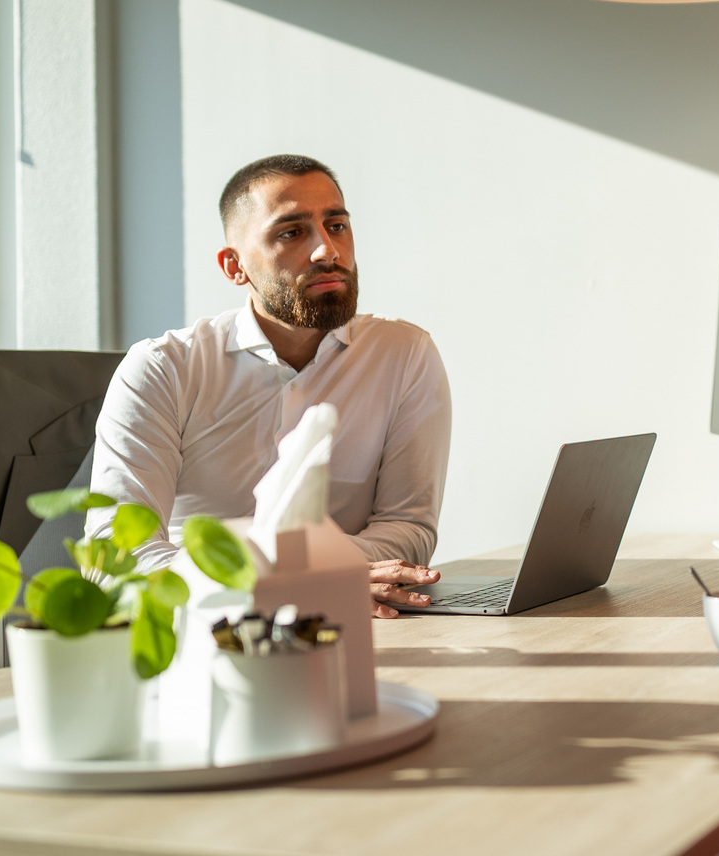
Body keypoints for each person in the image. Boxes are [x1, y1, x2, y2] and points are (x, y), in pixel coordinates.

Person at [85, 154, 452, 618]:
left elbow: (408, 527)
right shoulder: (162, 369)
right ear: (234, 266)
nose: (327, 251)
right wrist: (294, 584)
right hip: (195, 635)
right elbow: (115, 559)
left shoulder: (405, 353)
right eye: (291, 233)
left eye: (336, 225)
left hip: (356, 628)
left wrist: (313, 585)